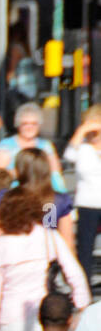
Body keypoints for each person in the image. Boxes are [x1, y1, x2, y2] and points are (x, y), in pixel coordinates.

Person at [0, 188, 89, 331]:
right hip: (41, 315)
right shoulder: (47, 236)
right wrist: (82, 304)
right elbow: (74, 272)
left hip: (10, 318)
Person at [63, 107, 101, 288]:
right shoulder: (83, 149)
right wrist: (83, 130)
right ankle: (83, 287)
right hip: (87, 204)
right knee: (85, 248)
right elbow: (69, 155)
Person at [0, 103, 64, 191]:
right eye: (25, 124)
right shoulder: (5, 146)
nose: (30, 127)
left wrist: (61, 197)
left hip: (42, 198)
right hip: (14, 197)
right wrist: (24, 172)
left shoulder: (46, 146)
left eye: (34, 124)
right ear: (18, 125)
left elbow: (56, 175)